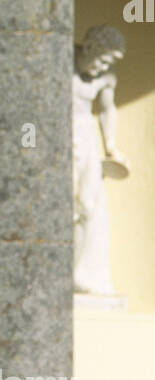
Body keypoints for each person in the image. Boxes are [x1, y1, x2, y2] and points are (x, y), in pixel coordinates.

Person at [73, 25, 129, 294]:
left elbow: (107, 109)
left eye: (110, 63)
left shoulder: (107, 76)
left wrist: (111, 146)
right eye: (104, 59)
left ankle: (80, 274)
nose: (105, 66)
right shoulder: (61, 58)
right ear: (90, 47)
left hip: (86, 138)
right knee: (66, 205)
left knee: (89, 205)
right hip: (58, 134)